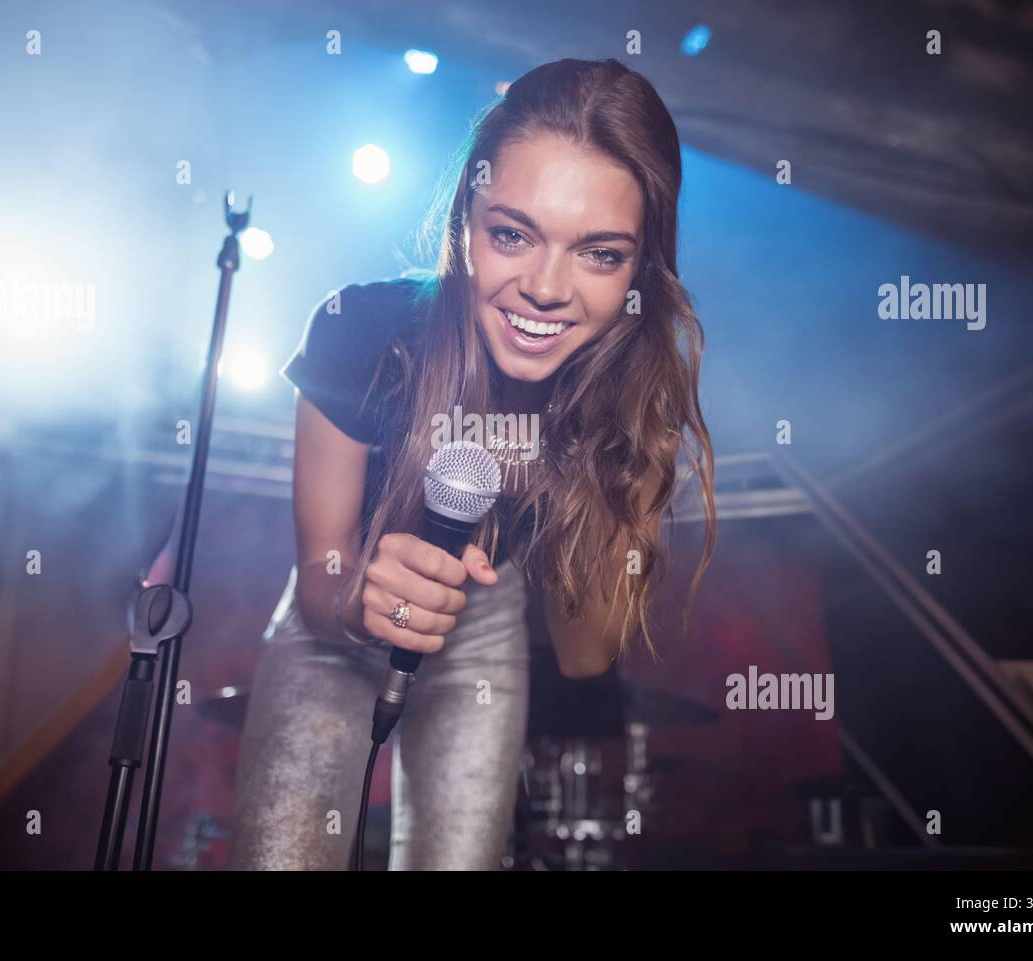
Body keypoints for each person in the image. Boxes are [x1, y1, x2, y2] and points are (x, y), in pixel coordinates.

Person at [227, 57, 717, 871]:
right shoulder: (361, 328)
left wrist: (613, 473)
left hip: (483, 628)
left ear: (640, 268)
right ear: (464, 219)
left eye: (600, 254)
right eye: (512, 234)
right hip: (337, 614)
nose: (547, 288)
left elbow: (586, 653)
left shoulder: (628, 395)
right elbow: (318, 570)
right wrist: (362, 598)